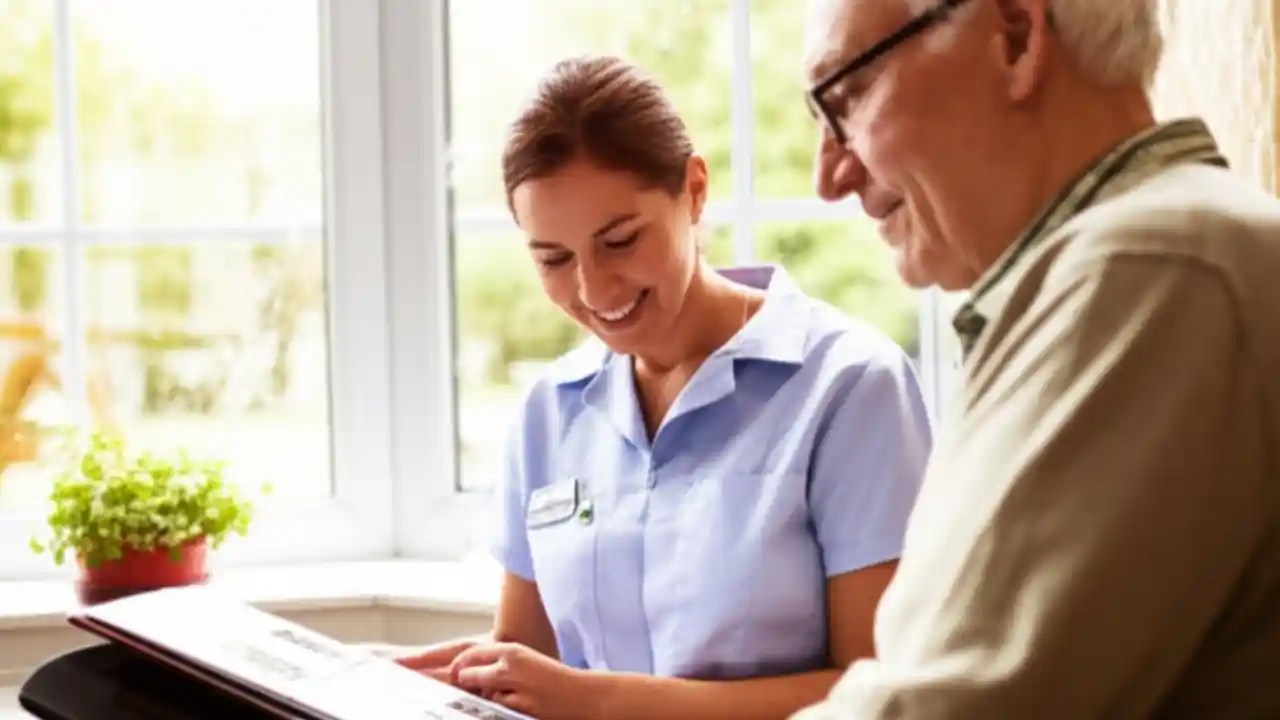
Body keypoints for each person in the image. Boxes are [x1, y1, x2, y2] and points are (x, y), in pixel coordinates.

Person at [397, 55, 933, 719]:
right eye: (554, 259)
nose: (594, 291)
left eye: (620, 241)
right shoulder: (548, 412)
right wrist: (441, 678)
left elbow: (880, 691)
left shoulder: (851, 388)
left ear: (695, 191)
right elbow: (534, 659)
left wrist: (602, 703)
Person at [791, 0, 1280, 718]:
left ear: (1015, 37)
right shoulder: (1142, 265)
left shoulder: (1151, 269)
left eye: (847, 96)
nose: (828, 177)